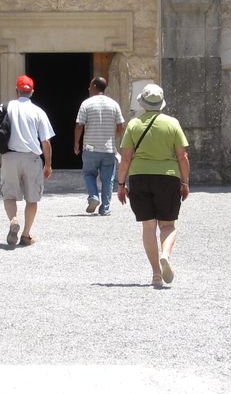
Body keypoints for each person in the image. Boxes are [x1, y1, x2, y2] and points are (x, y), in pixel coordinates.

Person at [116, 82, 190, 287]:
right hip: (168, 176)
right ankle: (165, 254)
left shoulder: (133, 124)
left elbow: (125, 159)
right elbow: (183, 157)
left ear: (143, 103)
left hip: (140, 177)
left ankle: (156, 274)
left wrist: (121, 184)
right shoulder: (172, 123)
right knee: (167, 225)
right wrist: (185, 182)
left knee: (148, 226)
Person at [1, 74, 54, 248]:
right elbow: (45, 141)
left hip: (10, 156)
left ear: (17, 90)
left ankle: (13, 220)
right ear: (32, 92)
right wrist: (47, 164)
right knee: (32, 199)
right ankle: (25, 235)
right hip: (32, 158)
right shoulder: (38, 111)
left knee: (9, 195)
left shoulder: (6, 107)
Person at [73, 76, 125, 216]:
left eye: (90, 86)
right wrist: (115, 139)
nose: (89, 88)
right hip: (108, 149)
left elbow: (79, 125)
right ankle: (105, 208)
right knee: (108, 179)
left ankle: (94, 197)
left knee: (89, 174)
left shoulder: (86, 104)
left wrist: (76, 143)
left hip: (90, 147)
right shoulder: (114, 104)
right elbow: (121, 126)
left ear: (95, 86)